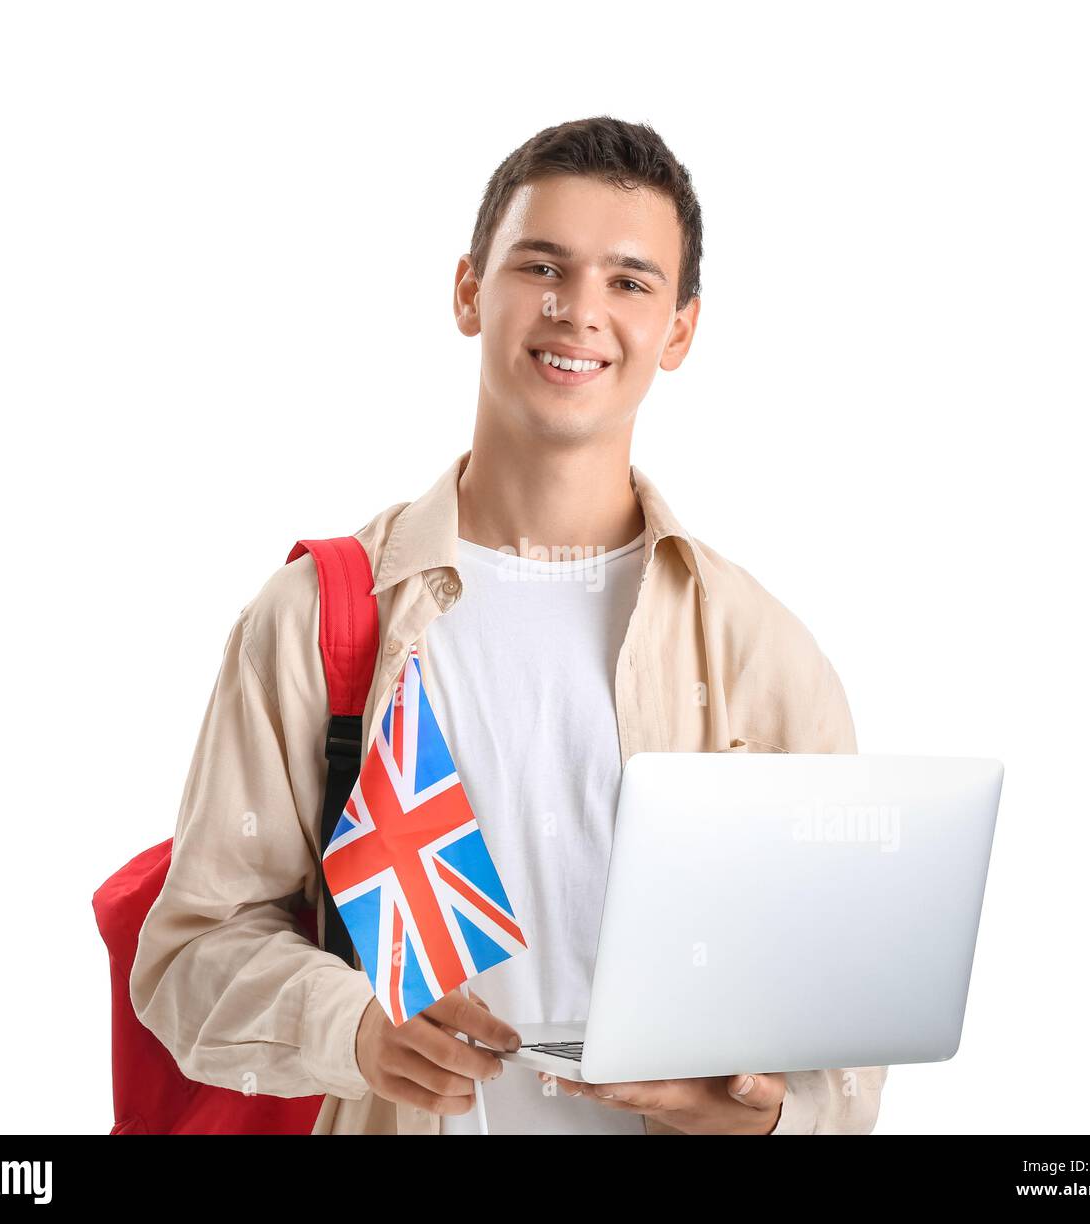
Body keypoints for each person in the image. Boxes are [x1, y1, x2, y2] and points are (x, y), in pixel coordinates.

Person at [130, 115, 888, 1135]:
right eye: (542, 265)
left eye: (629, 281)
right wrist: (354, 1028)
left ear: (679, 330)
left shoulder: (757, 653)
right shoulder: (320, 621)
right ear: (467, 291)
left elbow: (844, 1029)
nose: (578, 311)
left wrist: (765, 1115)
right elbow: (190, 956)